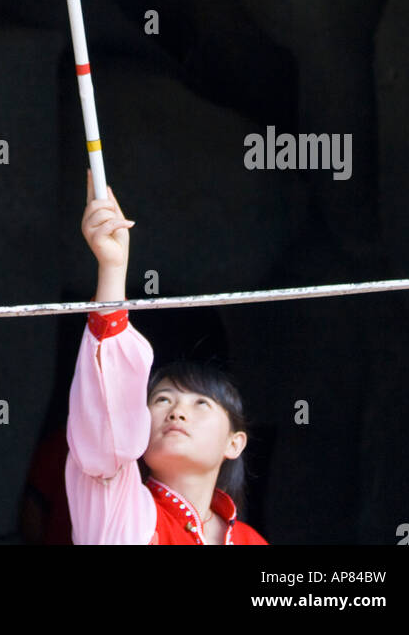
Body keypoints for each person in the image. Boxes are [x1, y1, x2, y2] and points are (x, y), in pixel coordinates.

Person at [65, 172, 268, 545]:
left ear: (235, 443)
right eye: (162, 400)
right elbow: (105, 418)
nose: (176, 412)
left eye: (201, 403)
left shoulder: (251, 541)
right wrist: (112, 270)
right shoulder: (121, 509)